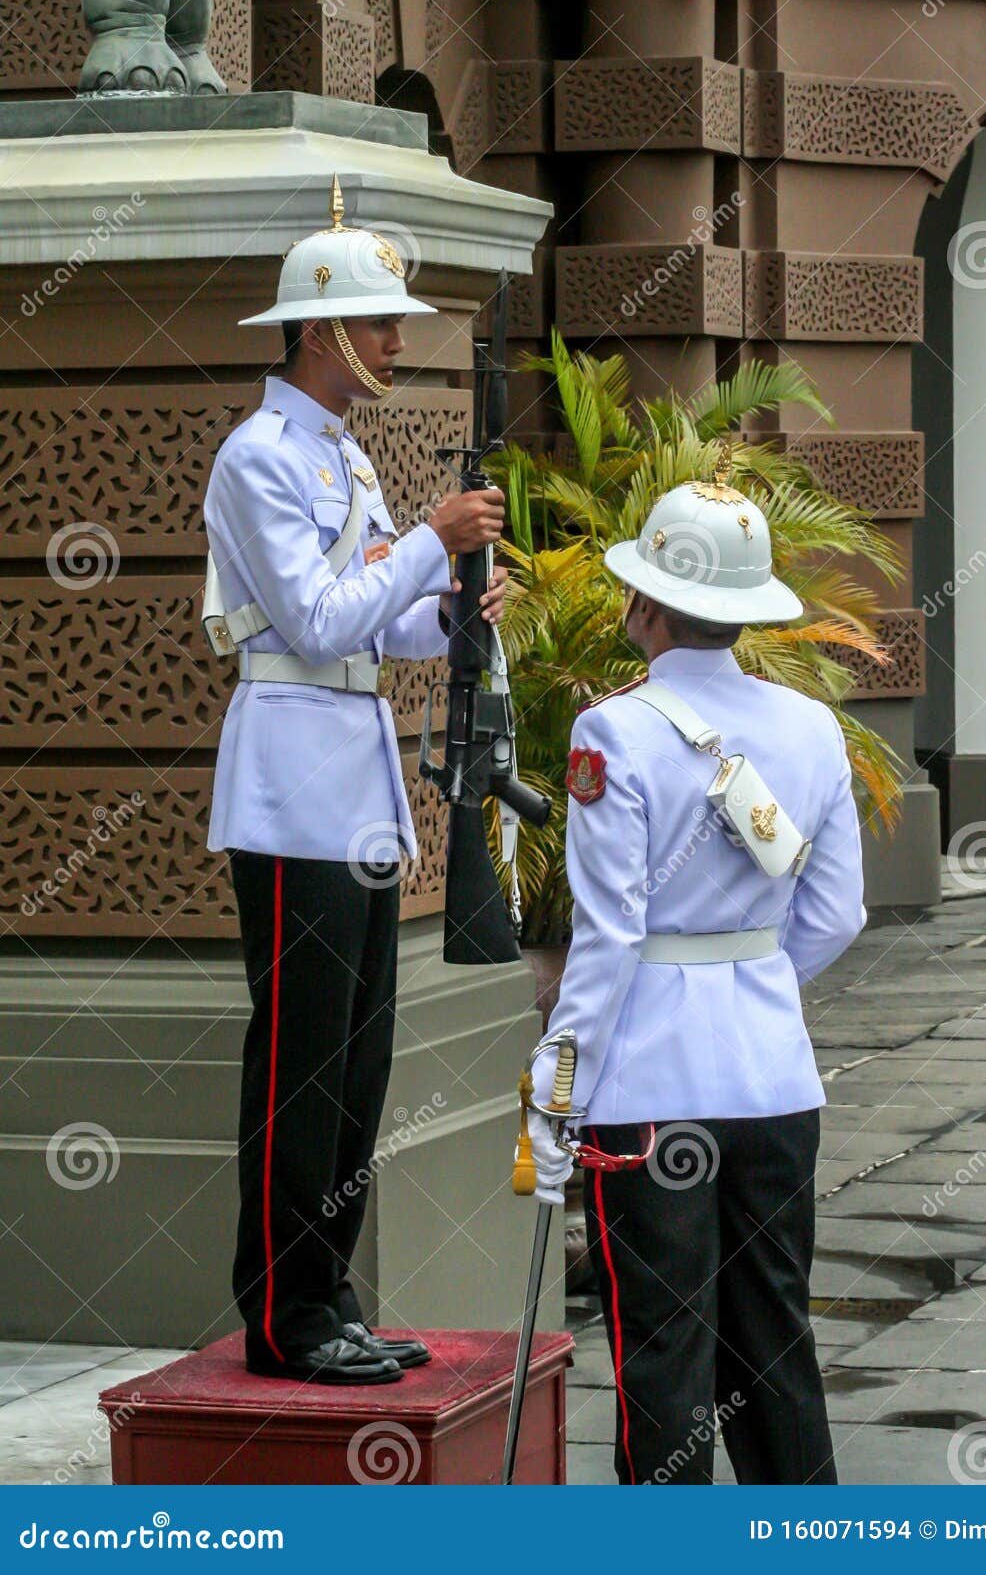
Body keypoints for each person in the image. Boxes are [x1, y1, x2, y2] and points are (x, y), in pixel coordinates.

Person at [202, 179, 507, 1385]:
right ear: (322, 329)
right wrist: (431, 537)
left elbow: (383, 632)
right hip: (290, 782)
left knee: (360, 1061)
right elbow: (317, 616)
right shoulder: (258, 457)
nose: (396, 340)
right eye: (380, 322)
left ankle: (329, 1292)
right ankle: (284, 1313)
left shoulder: (345, 457)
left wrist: (453, 601)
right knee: (301, 1063)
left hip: (359, 781)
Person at [525, 460, 867, 1483]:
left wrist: (557, 1084)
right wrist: (747, 978)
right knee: (775, 1348)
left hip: (651, 1087)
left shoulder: (612, 731)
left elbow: (609, 937)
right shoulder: (807, 726)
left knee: (665, 1358)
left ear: (647, 602)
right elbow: (837, 911)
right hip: (771, 1076)